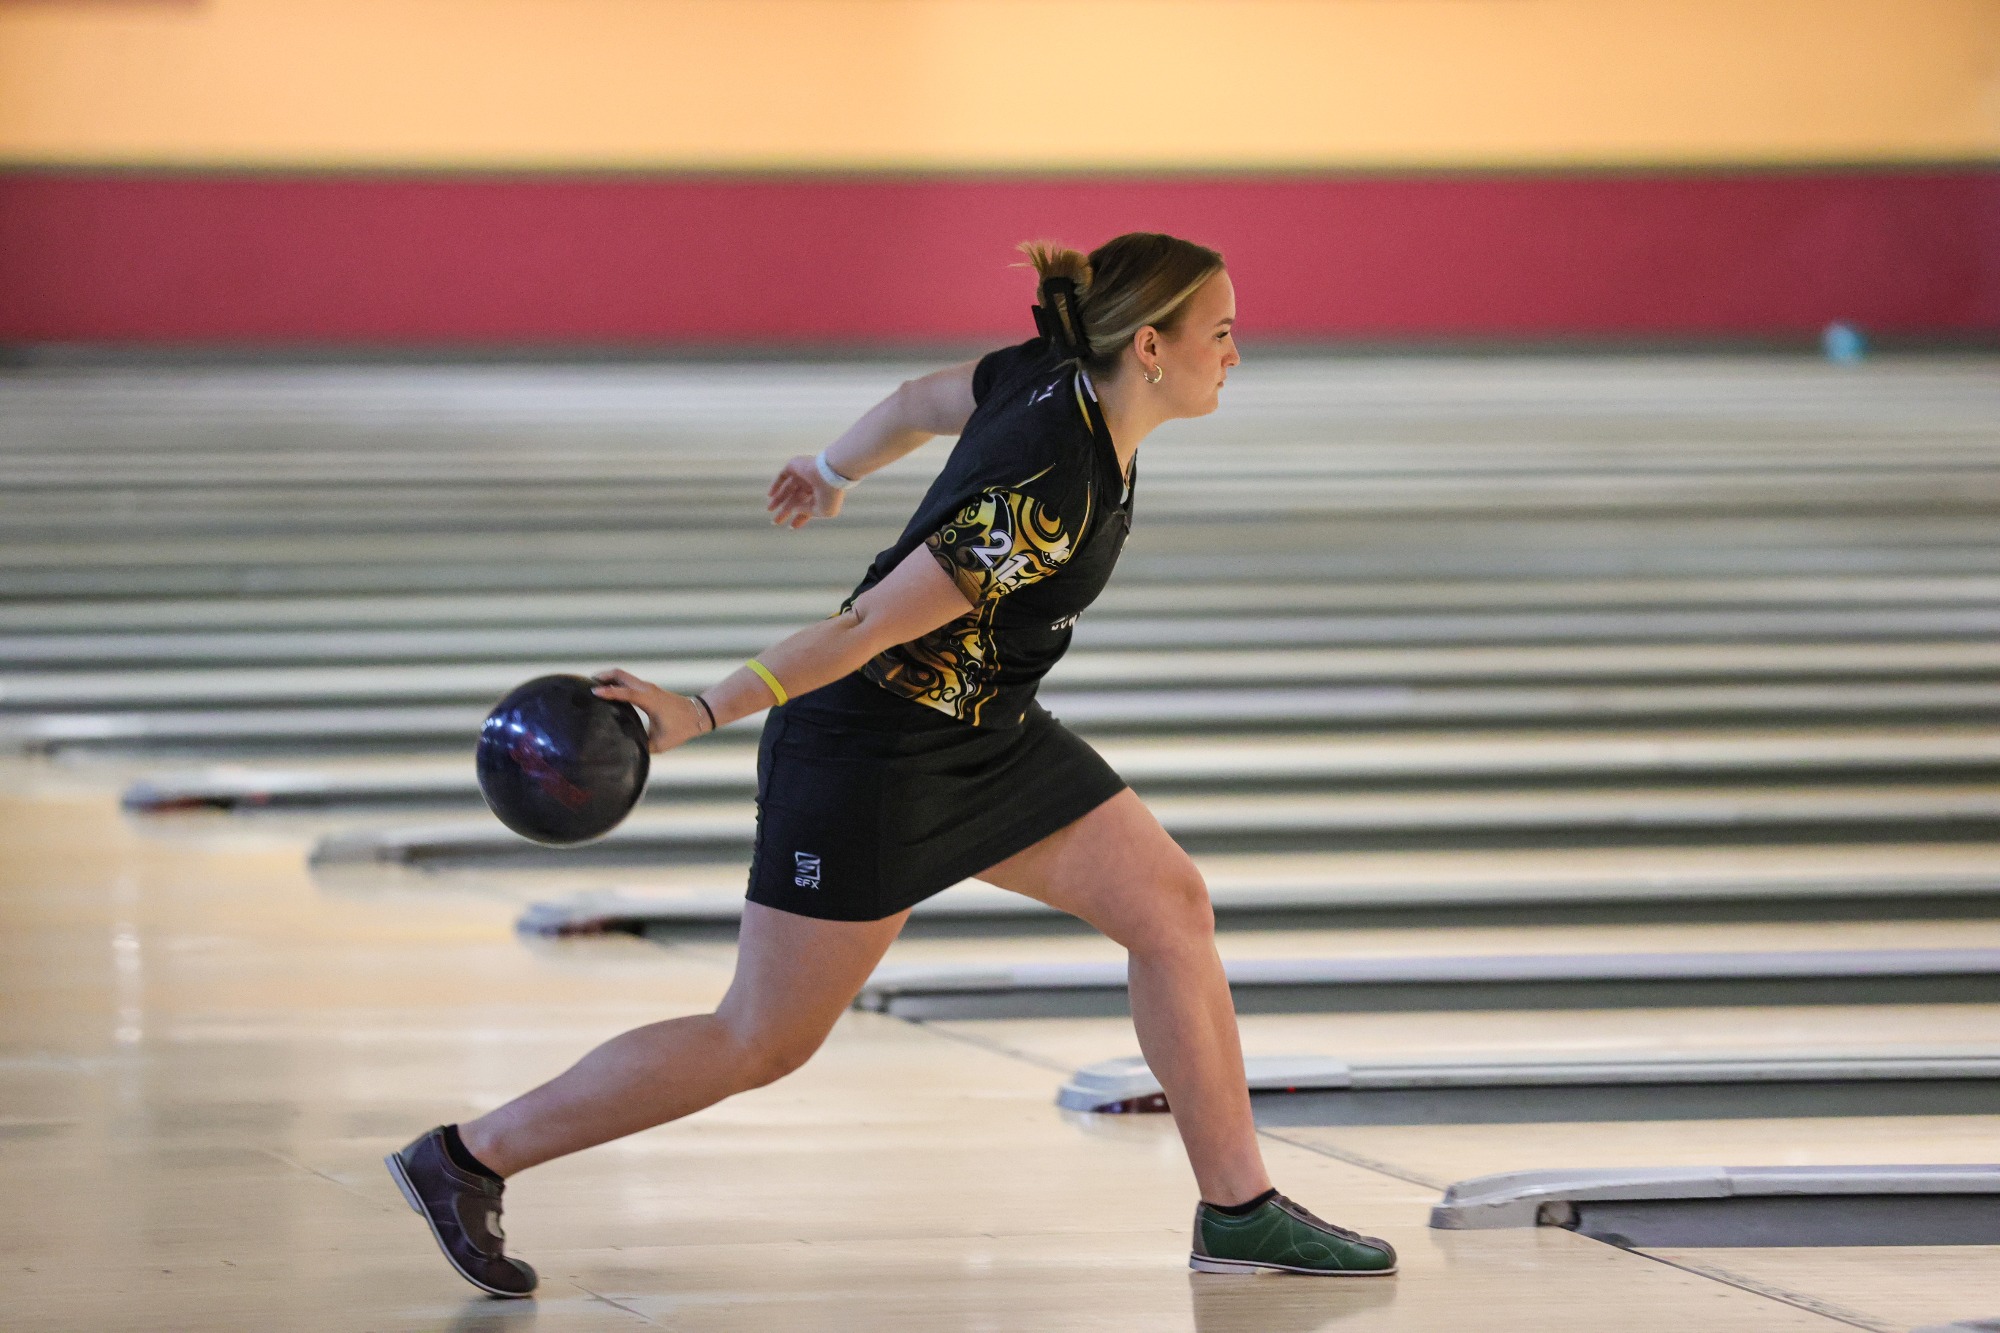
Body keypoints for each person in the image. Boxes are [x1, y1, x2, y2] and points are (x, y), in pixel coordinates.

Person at [385, 232, 1398, 1296]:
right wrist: (701, 708)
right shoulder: (1043, 495)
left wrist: (829, 471)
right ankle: (463, 1157)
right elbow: (864, 626)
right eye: (1222, 333)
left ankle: (1236, 1209)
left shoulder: (1052, 382)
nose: (1235, 353)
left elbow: (919, 400)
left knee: (1168, 905)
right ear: (1150, 346)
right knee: (759, 1038)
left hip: (987, 734)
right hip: (873, 756)